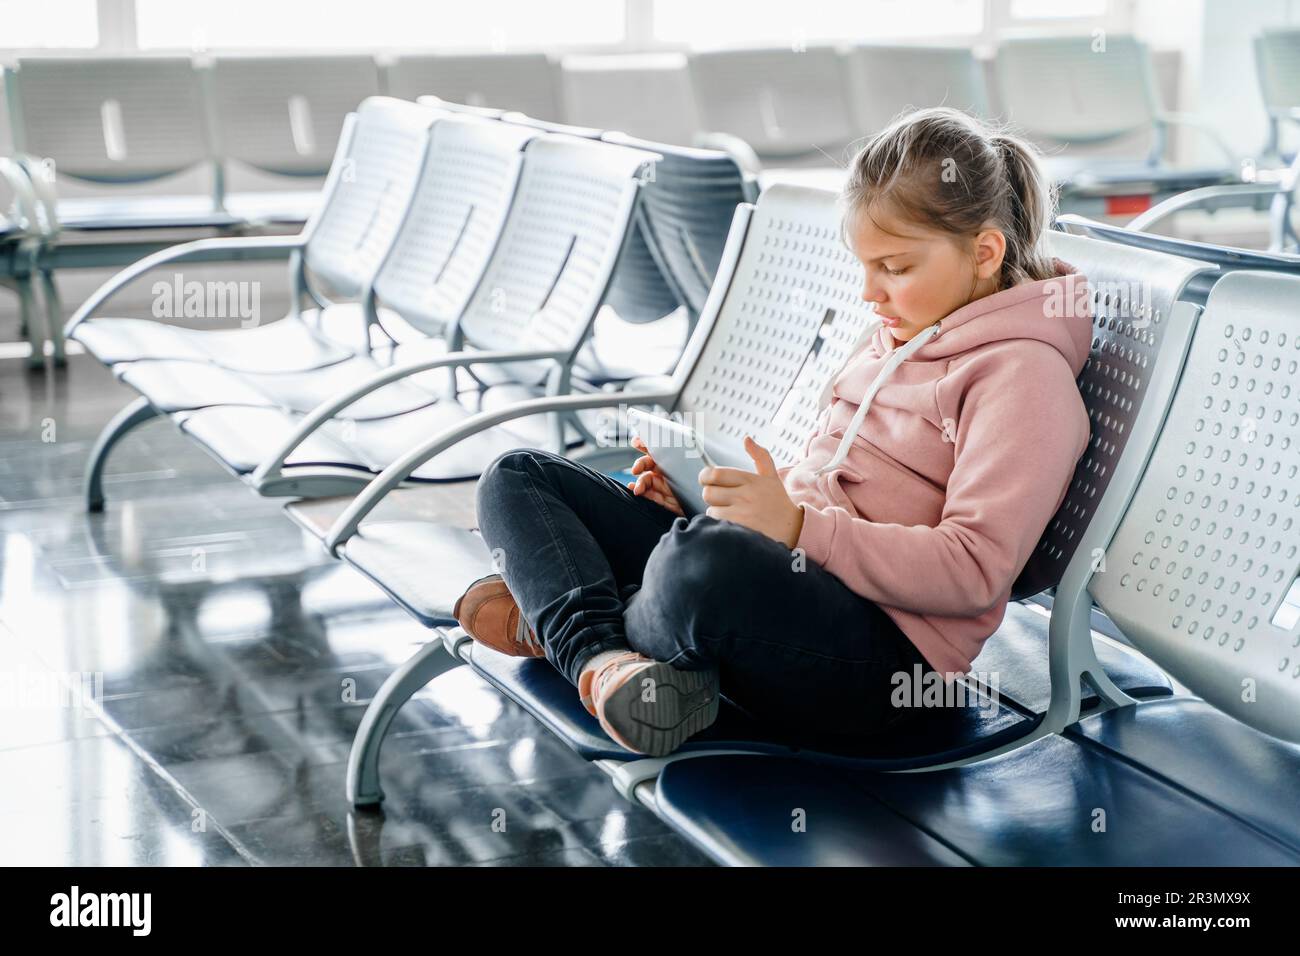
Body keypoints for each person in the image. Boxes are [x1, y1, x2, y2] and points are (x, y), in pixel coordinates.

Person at [452, 106, 1093, 757]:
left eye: (895, 269)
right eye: (864, 265)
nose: (870, 293)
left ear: (985, 252)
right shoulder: (894, 334)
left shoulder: (1024, 378)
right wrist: (709, 500)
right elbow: (828, 485)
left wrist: (793, 529)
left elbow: (974, 572)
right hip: (792, 586)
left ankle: (567, 616)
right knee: (520, 478)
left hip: (885, 661)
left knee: (701, 563)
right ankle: (601, 660)